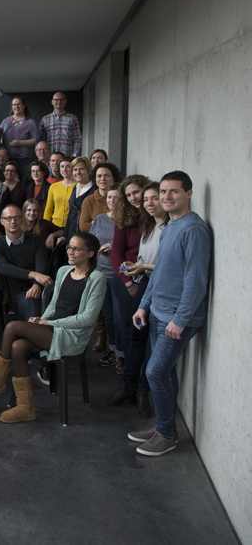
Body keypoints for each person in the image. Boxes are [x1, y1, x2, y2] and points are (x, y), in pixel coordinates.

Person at [0, 232, 104, 423]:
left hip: (71, 336)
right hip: (51, 328)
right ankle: (26, 408)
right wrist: (41, 319)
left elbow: (87, 319)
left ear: (90, 254)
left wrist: (49, 323)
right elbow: (54, 304)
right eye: (69, 247)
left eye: (76, 248)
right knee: (17, 347)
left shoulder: (97, 279)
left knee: (13, 326)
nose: (70, 251)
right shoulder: (63, 271)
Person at [129, 172, 211, 457]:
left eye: (173, 191)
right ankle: (163, 426)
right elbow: (160, 273)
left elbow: (196, 281)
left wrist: (180, 319)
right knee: (165, 371)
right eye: (163, 191)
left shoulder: (194, 229)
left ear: (188, 193)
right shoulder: (168, 226)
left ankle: (166, 433)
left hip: (177, 317)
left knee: (155, 371)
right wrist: (144, 305)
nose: (166, 197)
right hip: (159, 312)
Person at [108, 181, 166, 414]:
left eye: (151, 197)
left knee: (149, 339)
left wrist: (142, 267)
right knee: (135, 332)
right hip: (143, 279)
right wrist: (131, 275)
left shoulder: (166, 224)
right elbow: (119, 253)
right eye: (130, 195)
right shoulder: (147, 223)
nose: (143, 201)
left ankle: (143, 389)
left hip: (155, 280)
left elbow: (166, 262)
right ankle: (128, 385)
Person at [105, 174, 149, 369]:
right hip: (127, 277)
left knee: (143, 327)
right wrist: (128, 282)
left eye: (136, 192)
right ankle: (126, 367)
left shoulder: (156, 218)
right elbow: (116, 254)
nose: (133, 198)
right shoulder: (123, 219)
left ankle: (139, 372)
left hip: (149, 277)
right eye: (129, 195)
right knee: (126, 323)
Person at [0, 204, 52, 321]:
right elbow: (4, 267)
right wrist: (34, 275)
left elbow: (42, 266)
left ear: (22, 220)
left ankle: (31, 335)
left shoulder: (36, 240)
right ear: (2, 221)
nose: (13, 221)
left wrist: (36, 284)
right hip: (18, 291)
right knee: (32, 302)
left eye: (17, 217)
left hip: (41, 287)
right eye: (8, 218)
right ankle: (32, 335)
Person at [88, 188, 119, 355]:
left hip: (120, 275)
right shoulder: (100, 219)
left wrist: (115, 248)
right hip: (101, 273)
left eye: (116, 197)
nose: (112, 200)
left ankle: (120, 352)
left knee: (118, 317)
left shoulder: (126, 221)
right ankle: (112, 350)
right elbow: (91, 243)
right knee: (107, 315)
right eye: (109, 197)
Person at [0, 96, 38, 178]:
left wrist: (20, 143)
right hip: (8, 160)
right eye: (14, 104)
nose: (16, 106)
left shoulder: (30, 122)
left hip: (25, 160)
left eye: (18, 104)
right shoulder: (6, 121)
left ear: (24, 106)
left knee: (25, 183)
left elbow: (36, 140)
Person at [38, 91, 82, 158]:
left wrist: (74, 155)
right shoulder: (45, 119)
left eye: (61, 99)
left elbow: (77, 139)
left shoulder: (73, 118)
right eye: (56, 100)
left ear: (65, 101)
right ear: (52, 102)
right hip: (50, 158)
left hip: (67, 157)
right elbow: (41, 140)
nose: (59, 102)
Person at [79, 162, 120, 231]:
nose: (103, 179)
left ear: (114, 178)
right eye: (99, 176)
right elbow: (84, 227)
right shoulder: (89, 200)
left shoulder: (121, 198)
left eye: (107, 175)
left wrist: (96, 223)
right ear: (95, 179)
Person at [64, 157, 95, 239]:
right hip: (72, 235)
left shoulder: (95, 190)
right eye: (75, 169)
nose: (78, 172)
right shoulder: (75, 188)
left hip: (87, 237)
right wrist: (65, 236)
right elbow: (71, 214)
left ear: (88, 170)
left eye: (81, 169)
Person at [43, 156, 75, 229]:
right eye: (62, 166)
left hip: (71, 226)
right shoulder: (53, 187)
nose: (64, 169)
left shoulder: (78, 186)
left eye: (68, 166)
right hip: (55, 225)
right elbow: (48, 209)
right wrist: (45, 227)